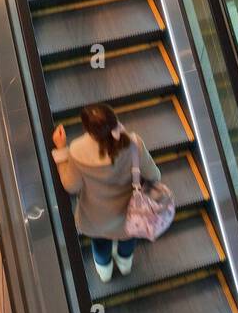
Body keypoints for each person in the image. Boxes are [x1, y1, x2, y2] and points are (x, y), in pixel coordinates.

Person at [52, 103, 162, 282]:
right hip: (130, 214)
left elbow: (71, 186)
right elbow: (154, 175)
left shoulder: (77, 150)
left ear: (88, 129)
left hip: (97, 218)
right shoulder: (134, 143)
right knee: (128, 240)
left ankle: (105, 273)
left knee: (101, 245)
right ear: (114, 120)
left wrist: (61, 149)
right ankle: (125, 265)